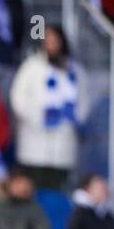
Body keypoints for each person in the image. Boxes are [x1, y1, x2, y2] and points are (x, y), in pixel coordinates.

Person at [9, 25, 86, 190]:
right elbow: (18, 98)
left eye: (54, 40)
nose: (51, 44)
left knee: (58, 187)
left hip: (63, 141)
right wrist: (37, 118)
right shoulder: (32, 66)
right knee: (34, 186)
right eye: (47, 40)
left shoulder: (75, 70)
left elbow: (84, 100)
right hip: (35, 139)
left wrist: (71, 118)